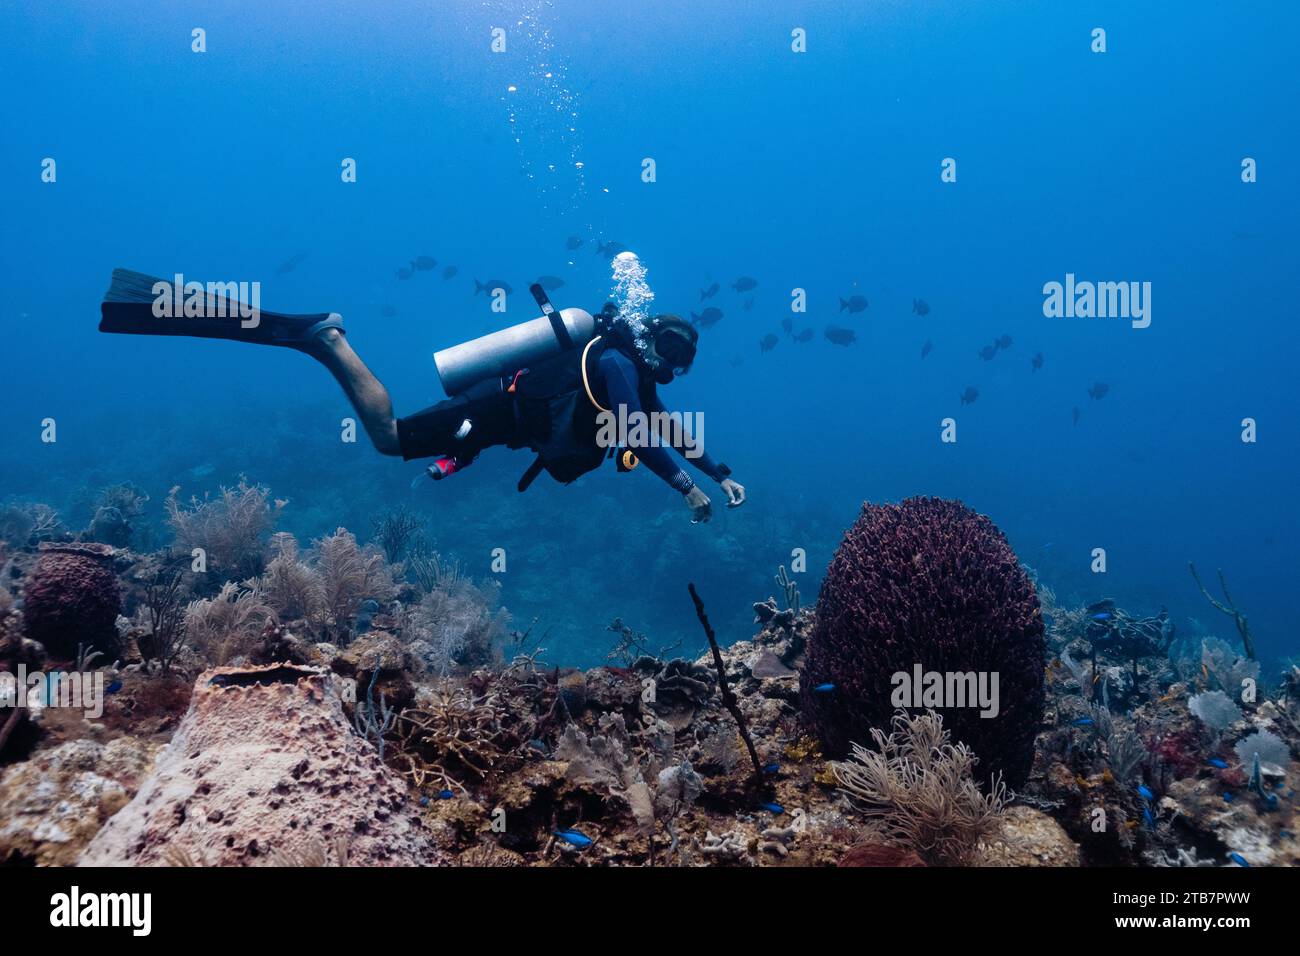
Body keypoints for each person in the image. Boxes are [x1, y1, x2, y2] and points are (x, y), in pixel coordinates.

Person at [99, 270, 746, 522]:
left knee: (412, 442)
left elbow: (667, 428)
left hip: (499, 420)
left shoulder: (620, 364)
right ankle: (329, 342)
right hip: (493, 410)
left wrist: (717, 473)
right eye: (678, 358)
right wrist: (687, 490)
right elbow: (635, 429)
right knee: (391, 440)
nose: (678, 372)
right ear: (655, 346)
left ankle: (324, 341)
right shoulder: (617, 366)